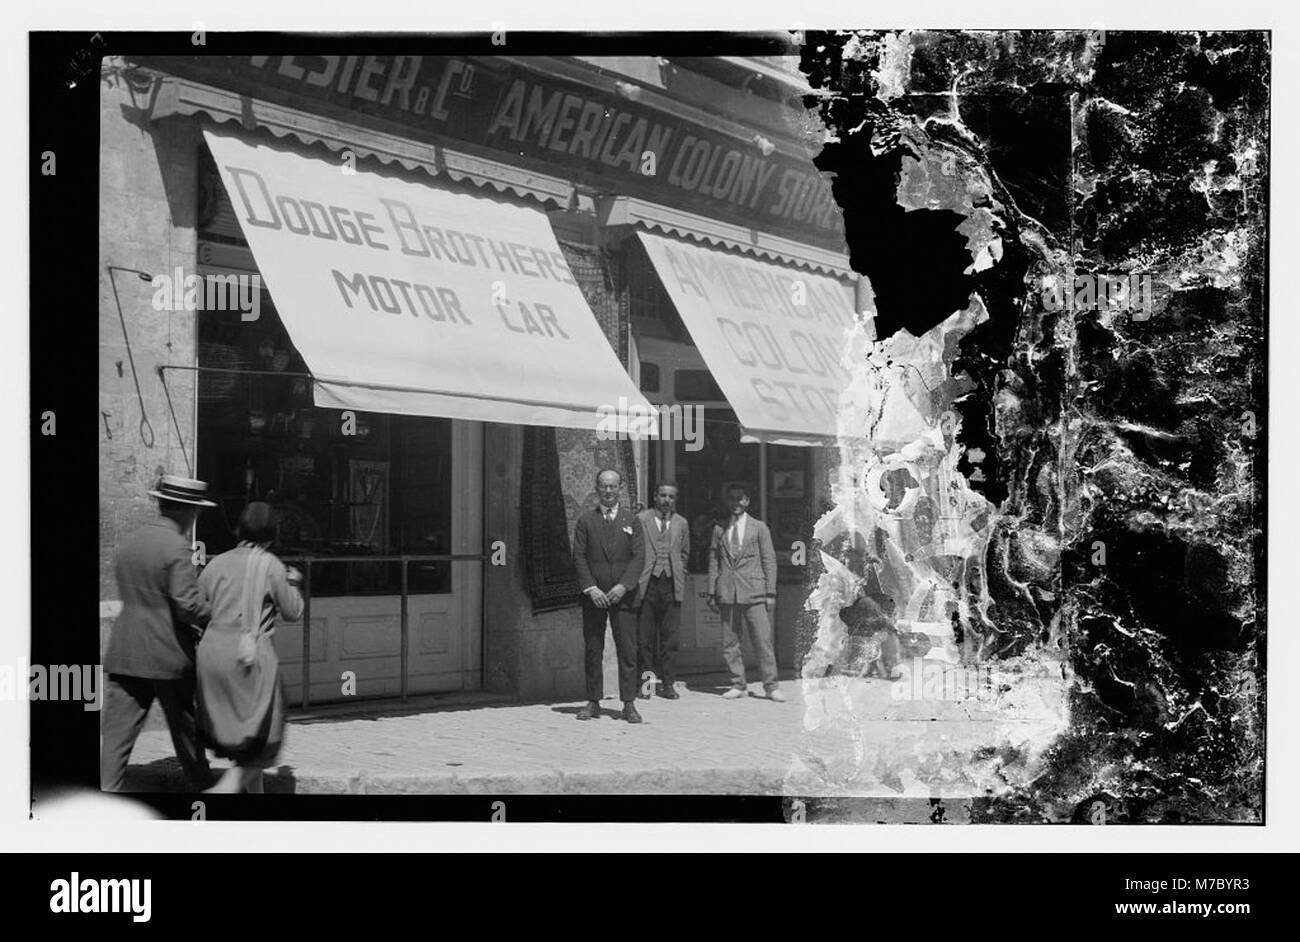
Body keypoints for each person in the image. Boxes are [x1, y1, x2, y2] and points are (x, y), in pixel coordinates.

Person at [101, 474, 216, 792]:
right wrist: (213, 614)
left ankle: (104, 794)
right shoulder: (177, 547)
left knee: (115, 737)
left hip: (125, 652)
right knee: (187, 733)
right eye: (196, 512)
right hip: (168, 657)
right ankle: (204, 792)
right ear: (188, 511)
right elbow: (187, 606)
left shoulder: (131, 540)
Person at [196, 502, 304, 793]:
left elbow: (200, 607)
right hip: (248, 658)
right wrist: (294, 584)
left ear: (239, 530)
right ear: (272, 534)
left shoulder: (215, 563)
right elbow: (293, 611)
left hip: (212, 654)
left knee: (243, 739)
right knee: (266, 735)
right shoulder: (271, 565)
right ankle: (224, 791)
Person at [571, 469, 646, 723]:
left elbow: (639, 557)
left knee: (627, 650)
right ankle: (593, 701)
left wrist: (623, 586)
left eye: (613, 486)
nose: (608, 491)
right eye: (604, 486)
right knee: (593, 648)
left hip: (623, 597)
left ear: (620, 488)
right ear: (597, 488)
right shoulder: (586, 521)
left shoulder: (631, 520)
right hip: (595, 598)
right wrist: (591, 589)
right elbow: (579, 557)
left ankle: (628, 703)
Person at [708, 483, 783, 701]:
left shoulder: (759, 527)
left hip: (754, 592)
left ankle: (771, 686)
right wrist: (712, 590)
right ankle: (738, 684)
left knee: (762, 640)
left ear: (747, 501)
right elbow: (714, 560)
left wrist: (770, 592)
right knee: (730, 642)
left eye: (740, 498)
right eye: (732, 498)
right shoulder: (719, 528)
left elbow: (769, 561)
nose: (736, 503)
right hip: (727, 591)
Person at [635, 482, 689, 700]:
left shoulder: (681, 523)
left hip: (671, 586)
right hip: (647, 585)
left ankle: (668, 684)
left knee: (670, 640)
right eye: (663, 495)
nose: (667, 500)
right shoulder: (641, 519)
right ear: (655, 496)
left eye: (672, 497)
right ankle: (646, 685)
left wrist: (679, 571)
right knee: (645, 639)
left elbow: (685, 552)